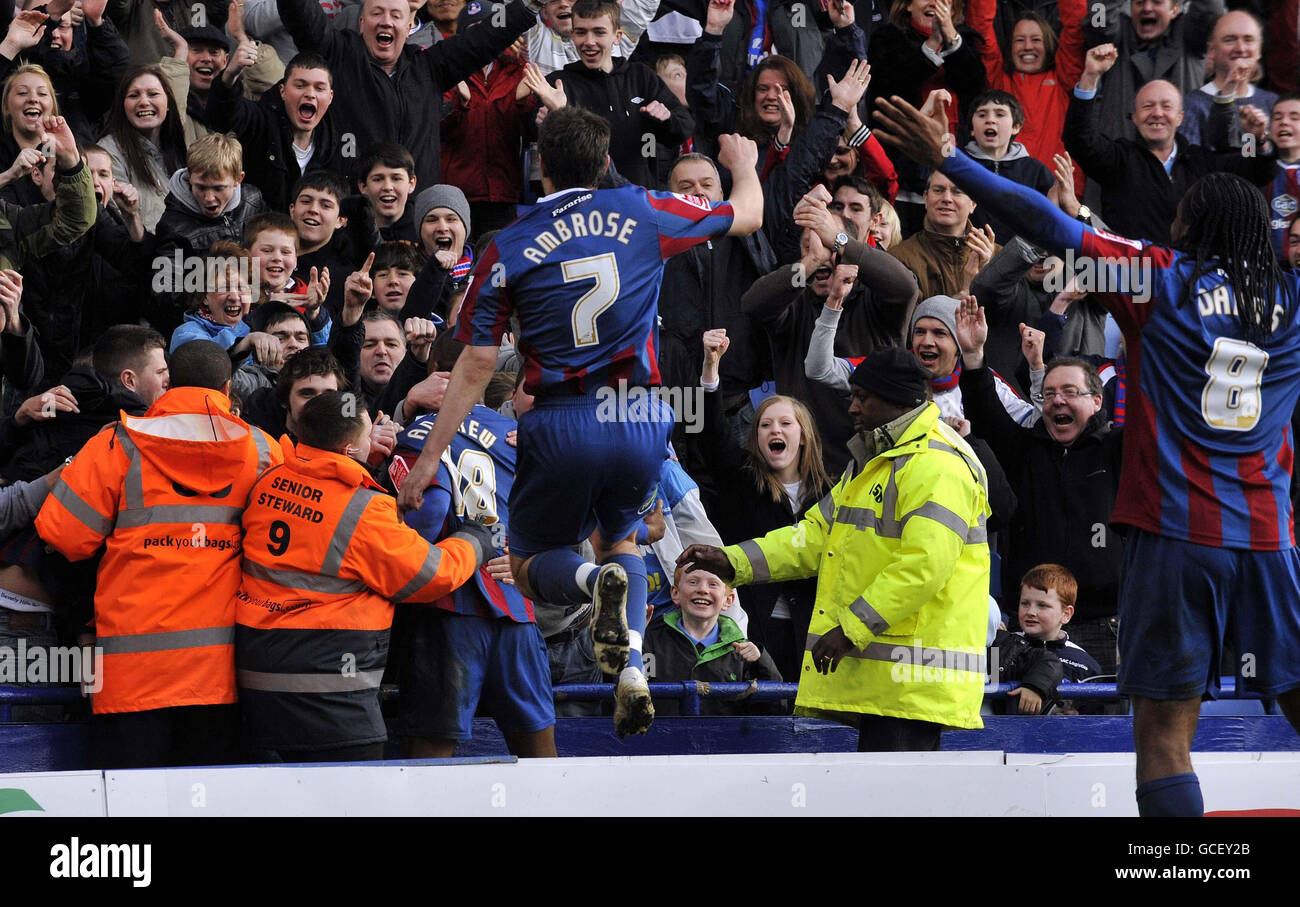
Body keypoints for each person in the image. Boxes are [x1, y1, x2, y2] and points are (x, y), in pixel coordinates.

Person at [873, 88, 1300, 814]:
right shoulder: (1291, 299)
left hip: (1175, 536)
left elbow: (1048, 221)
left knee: (1164, 736)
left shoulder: (1162, 276)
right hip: (1268, 537)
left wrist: (949, 160)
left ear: (1193, 223)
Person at [395, 106, 762, 737]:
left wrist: (429, 458)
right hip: (642, 416)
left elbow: (479, 360)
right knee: (625, 539)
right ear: (603, 162)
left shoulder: (507, 244)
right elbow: (748, 214)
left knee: (534, 557)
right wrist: (745, 166)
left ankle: (594, 581)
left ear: (539, 168)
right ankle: (633, 673)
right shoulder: (646, 210)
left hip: (561, 417)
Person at [678, 345, 992, 750]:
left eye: (863, 397)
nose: (852, 409)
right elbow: (812, 537)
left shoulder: (937, 465)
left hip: (912, 688)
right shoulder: (877, 461)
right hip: (890, 688)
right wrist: (731, 560)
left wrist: (849, 630)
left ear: (897, 400)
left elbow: (924, 567)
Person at [35, 339, 280, 769]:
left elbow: (63, 536)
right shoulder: (263, 450)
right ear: (226, 387)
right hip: (220, 680)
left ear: (169, 384)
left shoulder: (117, 443)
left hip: (129, 680)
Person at [235, 390, 490, 761]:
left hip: (257, 687)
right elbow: (433, 574)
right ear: (349, 447)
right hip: (331, 699)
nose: (377, 437)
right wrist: (475, 540)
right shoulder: (364, 511)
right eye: (369, 433)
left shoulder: (269, 480)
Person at [390, 395, 557, 758]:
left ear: (434, 371)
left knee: (430, 754)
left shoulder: (415, 433)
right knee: (539, 756)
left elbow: (430, 511)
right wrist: (531, 556)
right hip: (515, 607)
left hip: (447, 609)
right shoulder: (518, 434)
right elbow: (567, 513)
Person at [273, 0, 537, 188]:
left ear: (408, 25)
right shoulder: (339, 55)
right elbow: (304, 18)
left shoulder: (429, 67)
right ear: (362, 23)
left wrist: (528, 5)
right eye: (377, 13)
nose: (386, 21)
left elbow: (483, 38)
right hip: (354, 210)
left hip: (416, 218)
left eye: (395, 16)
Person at [643, 564, 781, 716]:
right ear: (675, 593)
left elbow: (775, 708)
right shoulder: (650, 640)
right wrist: (633, 641)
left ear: (728, 600)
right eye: (693, 582)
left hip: (722, 738)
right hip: (661, 738)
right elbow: (625, 694)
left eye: (713, 584)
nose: (703, 589)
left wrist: (760, 661)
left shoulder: (742, 651)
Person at [97, 62, 188, 231]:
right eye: (134, 95)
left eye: (153, 94)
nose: (144, 102)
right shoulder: (107, 152)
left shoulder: (180, 146)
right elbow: (117, 220)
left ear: (168, 104)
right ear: (122, 105)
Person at [155, 132, 268, 256]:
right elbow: (166, 274)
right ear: (189, 177)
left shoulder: (252, 200)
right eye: (201, 187)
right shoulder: (173, 226)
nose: (209, 198)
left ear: (238, 179)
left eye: (218, 188)